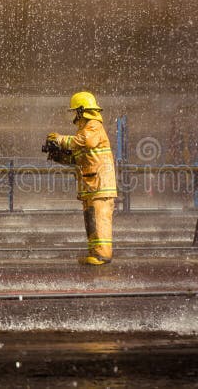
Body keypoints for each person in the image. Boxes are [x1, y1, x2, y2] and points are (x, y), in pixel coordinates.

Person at [47, 91, 117, 265]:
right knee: (91, 220)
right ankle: (95, 253)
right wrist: (57, 156)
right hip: (90, 185)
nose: (74, 116)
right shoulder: (84, 131)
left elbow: (85, 141)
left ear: (81, 110)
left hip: (100, 185)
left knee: (100, 220)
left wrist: (60, 139)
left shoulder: (93, 126)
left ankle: (103, 255)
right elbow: (77, 158)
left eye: (74, 112)